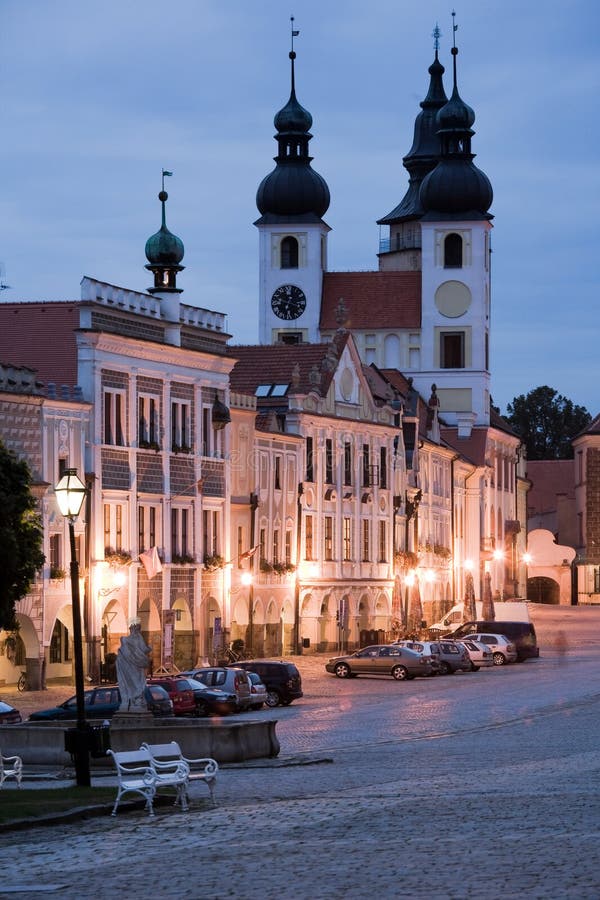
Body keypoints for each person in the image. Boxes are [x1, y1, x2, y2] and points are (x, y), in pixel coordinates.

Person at [116, 619, 152, 711]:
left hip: (132, 666)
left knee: (132, 682)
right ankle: (135, 699)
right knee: (136, 682)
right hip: (134, 666)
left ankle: (133, 700)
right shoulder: (137, 638)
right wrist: (150, 647)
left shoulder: (125, 640)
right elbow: (144, 649)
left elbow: (141, 650)